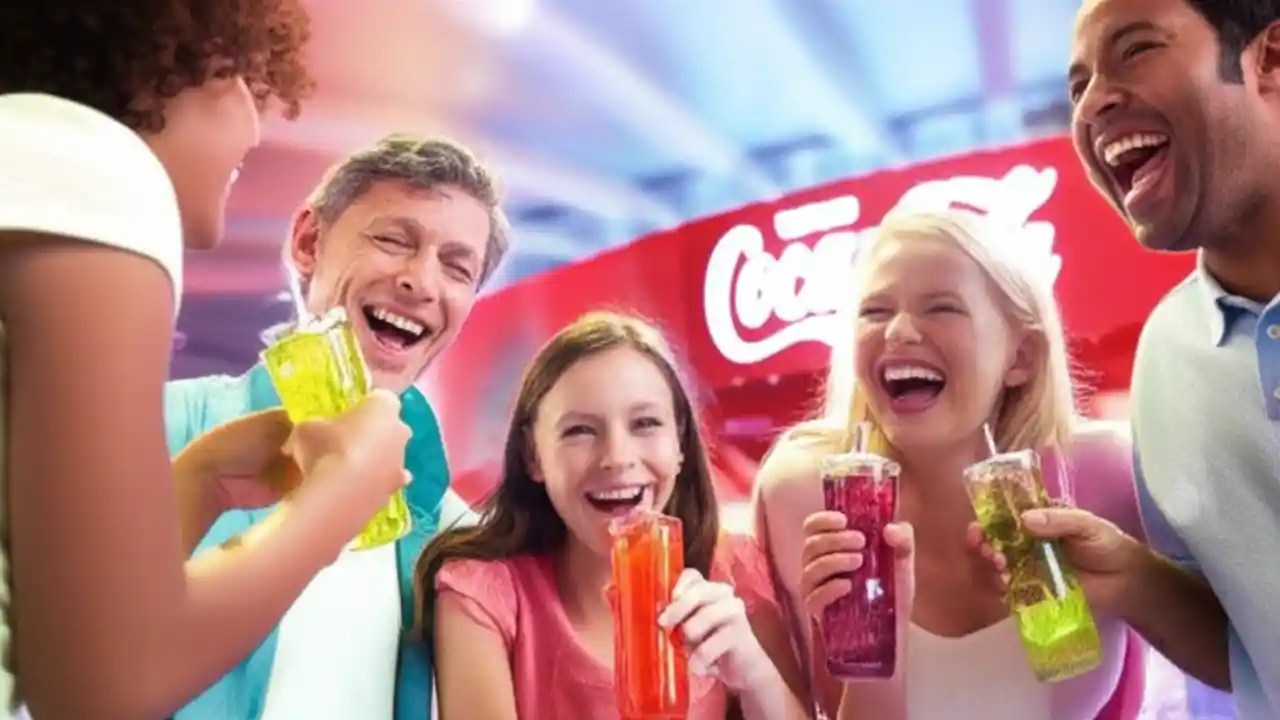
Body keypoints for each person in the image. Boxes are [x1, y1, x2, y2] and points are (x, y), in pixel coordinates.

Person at [0, 3, 413, 718]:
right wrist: (343, 494)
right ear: (158, 62)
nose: (255, 125)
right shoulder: (95, 168)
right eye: (242, 80)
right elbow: (101, 686)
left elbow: (50, 625)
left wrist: (198, 485)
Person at [166, 133, 507, 720]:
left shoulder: (457, 537)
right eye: (394, 239)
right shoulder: (161, 429)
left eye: (457, 268)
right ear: (308, 241)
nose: (422, 283)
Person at [756, 210, 1148, 719]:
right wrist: (876, 640)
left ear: (1021, 357)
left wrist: (1122, 584)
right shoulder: (807, 491)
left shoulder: (1100, 473)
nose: (897, 331)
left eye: (941, 307)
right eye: (874, 310)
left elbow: (1230, 648)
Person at [415, 311, 808, 719]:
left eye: (645, 424)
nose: (617, 458)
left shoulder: (735, 572)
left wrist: (754, 673)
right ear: (533, 455)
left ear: (680, 446)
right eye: (580, 431)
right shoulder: (484, 596)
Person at [1064, 0, 1280, 716]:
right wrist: (1129, 574)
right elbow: (1244, 644)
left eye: (1135, 50)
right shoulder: (1165, 361)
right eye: (1077, 86)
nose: (1093, 103)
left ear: (1270, 60)